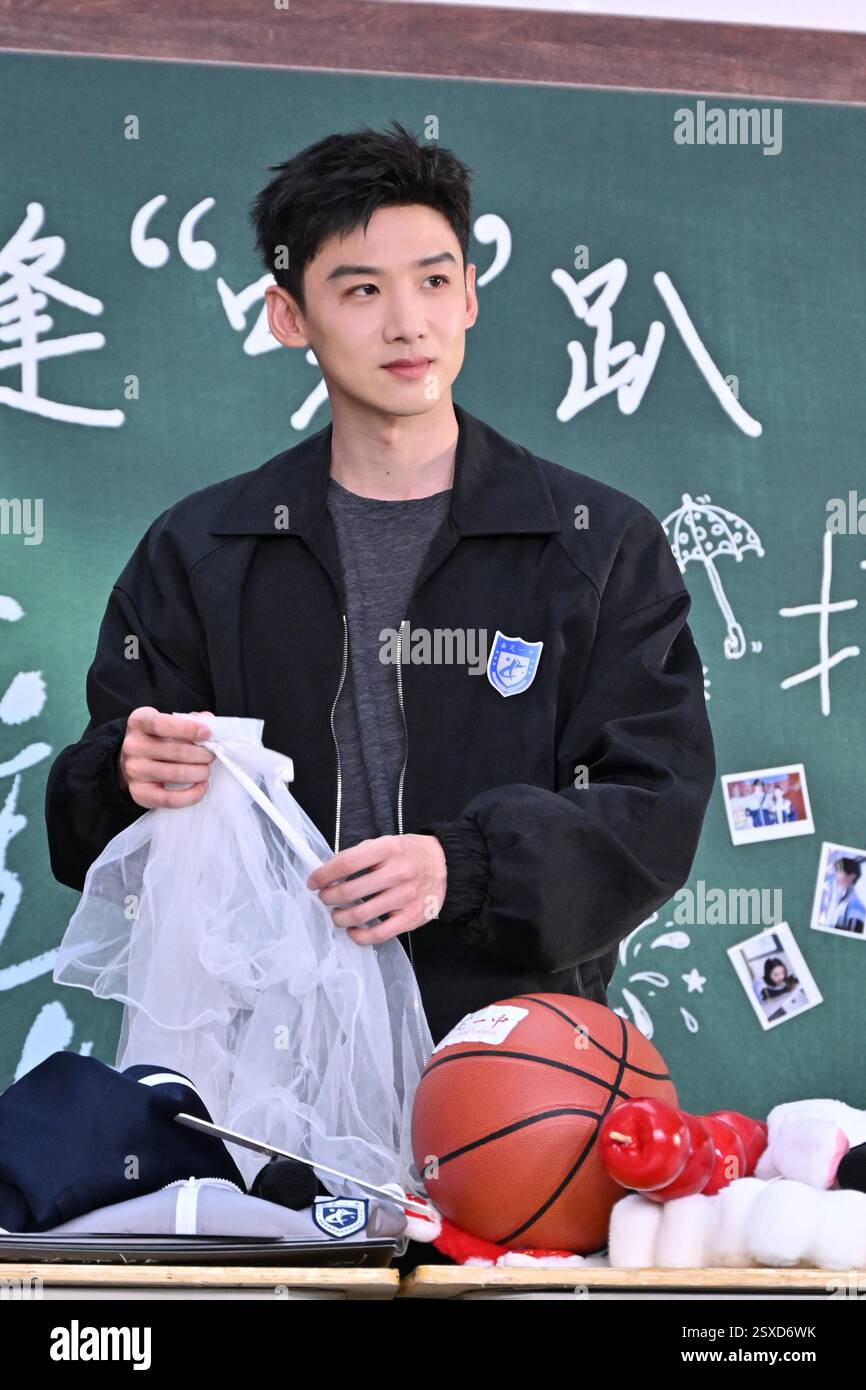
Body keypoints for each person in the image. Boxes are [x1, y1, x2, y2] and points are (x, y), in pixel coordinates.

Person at [45, 121, 715, 1265]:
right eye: (358, 288)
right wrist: (120, 769)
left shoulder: (593, 543)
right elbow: (85, 816)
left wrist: (465, 864)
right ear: (289, 318)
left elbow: (651, 805)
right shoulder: (203, 547)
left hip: (513, 1099)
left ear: (468, 297)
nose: (404, 321)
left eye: (432, 281)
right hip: (256, 1105)